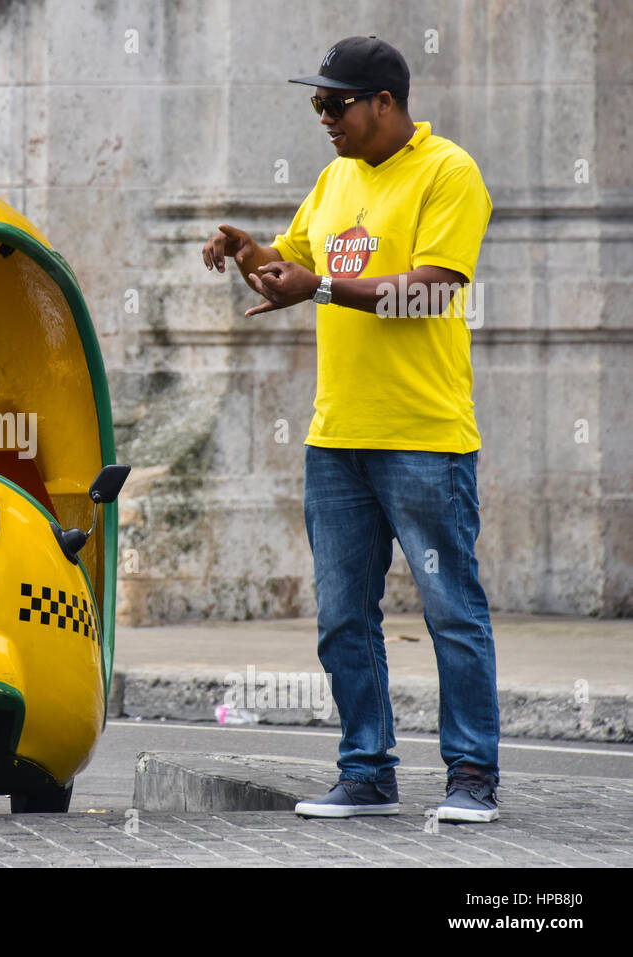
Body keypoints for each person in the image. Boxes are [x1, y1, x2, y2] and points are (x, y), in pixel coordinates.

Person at [202, 37, 500, 823]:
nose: (324, 118)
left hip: (425, 437)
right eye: (318, 105)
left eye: (336, 104)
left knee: (451, 610)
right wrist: (246, 252)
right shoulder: (336, 179)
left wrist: (323, 286)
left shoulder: (449, 173)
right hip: (336, 439)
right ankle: (366, 771)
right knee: (342, 616)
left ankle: (472, 774)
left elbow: (430, 293)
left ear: (386, 104)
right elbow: (286, 269)